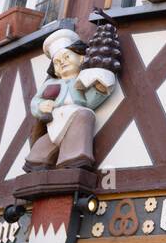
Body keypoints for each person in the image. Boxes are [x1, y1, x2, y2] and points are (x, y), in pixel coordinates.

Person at [24, 29, 116, 171]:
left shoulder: (82, 80)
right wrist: (41, 106)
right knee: (44, 144)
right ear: (54, 70)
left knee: (84, 116)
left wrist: (99, 90)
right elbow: (35, 101)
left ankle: (73, 158)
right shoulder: (49, 84)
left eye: (67, 57)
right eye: (57, 62)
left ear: (81, 58)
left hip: (74, 115)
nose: (62, 63)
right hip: (54, 120)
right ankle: (37, 162)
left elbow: (89, 102)